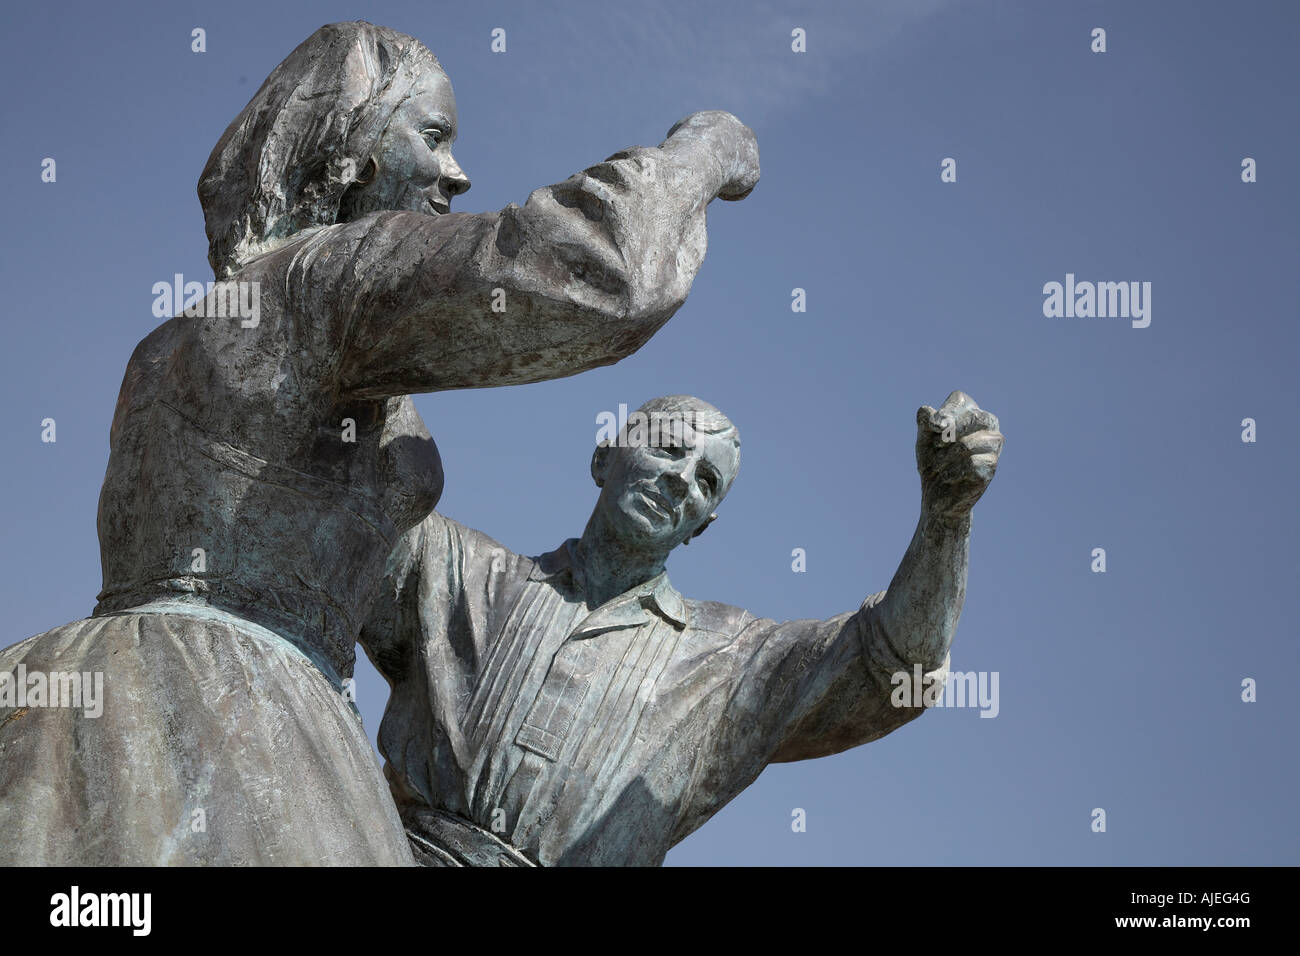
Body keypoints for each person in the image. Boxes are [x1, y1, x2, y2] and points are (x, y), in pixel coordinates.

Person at [0, 21, 758, 865]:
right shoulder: (329, 279)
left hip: (97, 699)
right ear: (349, 151)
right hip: (239, 715)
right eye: (431, 137)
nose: (456, 173)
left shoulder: (204, 322)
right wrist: (706, 150)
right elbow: (607, 272)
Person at [361, 392, 1004, 866]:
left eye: (706, 482)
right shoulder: (458, 568)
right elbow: (354, 475)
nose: (680, 480)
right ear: (605, 454)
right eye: (668, 448)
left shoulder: (724, 659)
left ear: (701, 528)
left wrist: (946, 519)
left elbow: (897, 669)